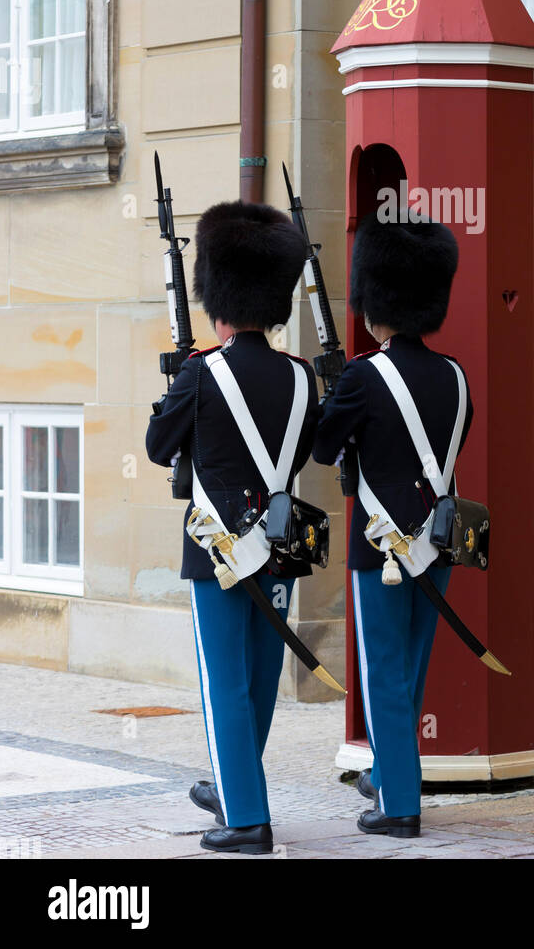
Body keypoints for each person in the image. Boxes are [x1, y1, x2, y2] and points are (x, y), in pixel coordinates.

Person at [146, 200, 317, 855]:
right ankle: (234, 783)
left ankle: (246, 819)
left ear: (217, 295)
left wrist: (176, 387)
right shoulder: (301, 378)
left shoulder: (201, 372)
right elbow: (301, 455)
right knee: (259, 678)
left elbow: (160, 445)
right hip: (279, 544)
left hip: (219, 547)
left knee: (224, 682)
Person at [313, 210, 472, 838]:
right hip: (437, 544)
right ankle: (389, 771)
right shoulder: (456, 375)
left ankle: (400, 805)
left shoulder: (362, 375)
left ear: (375, 300)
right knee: (412, 666)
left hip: (380, 547)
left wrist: (337, 401)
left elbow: (325, 450)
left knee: (382, 671)